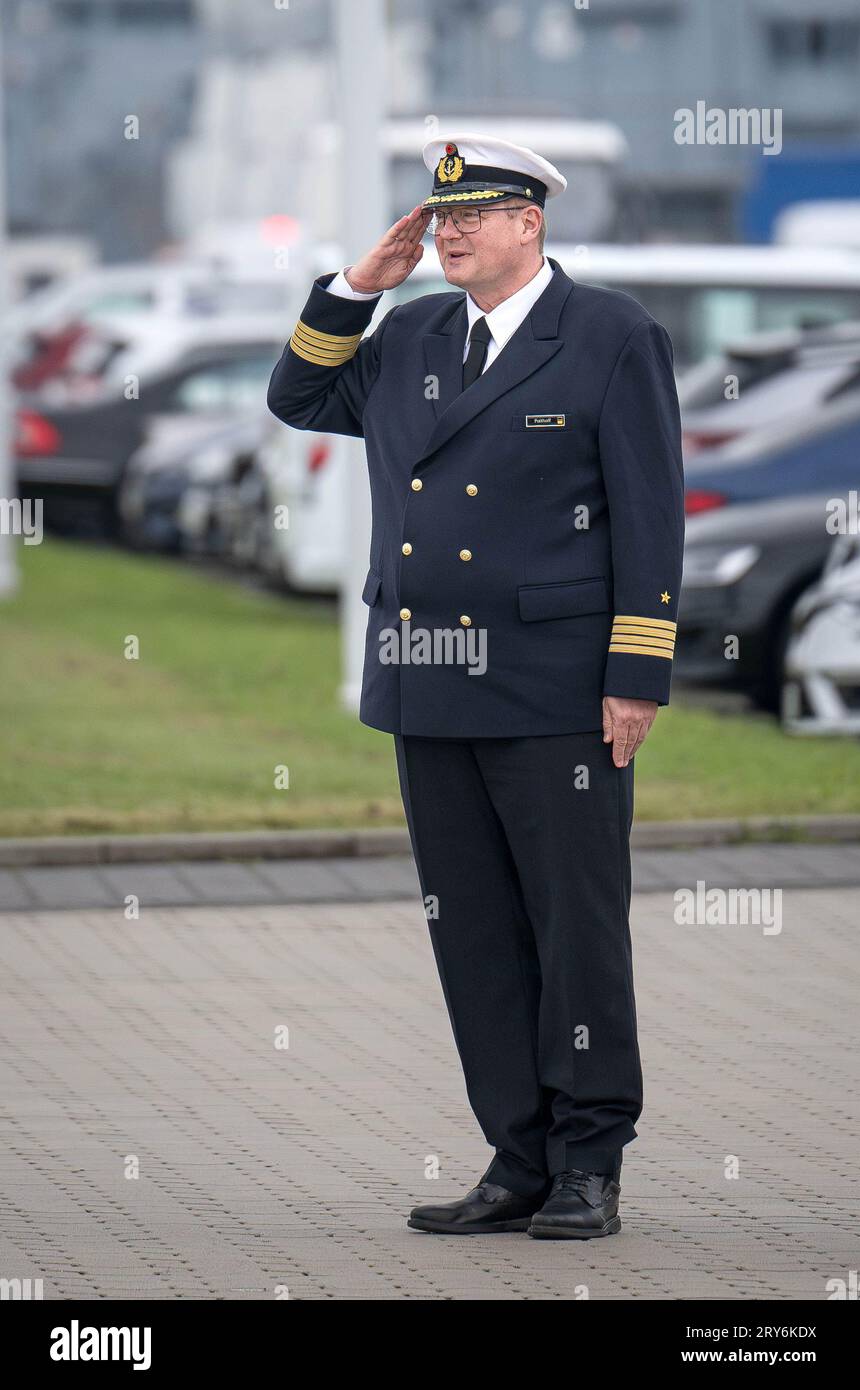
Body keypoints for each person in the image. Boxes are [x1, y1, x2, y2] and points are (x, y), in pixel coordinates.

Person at [267, 133, 684, 1239]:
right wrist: (356, 286)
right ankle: (518, 1156)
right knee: (474, 935)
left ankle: (589, 1160)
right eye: (438, 217)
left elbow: (650, 514)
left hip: (554, 689)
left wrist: (636, 673)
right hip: (429, 683)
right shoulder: (409, 333)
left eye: (470, 216)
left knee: (574, 929)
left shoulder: (608, 336)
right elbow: (297, 397)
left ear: (527, 223)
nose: (447, 233)